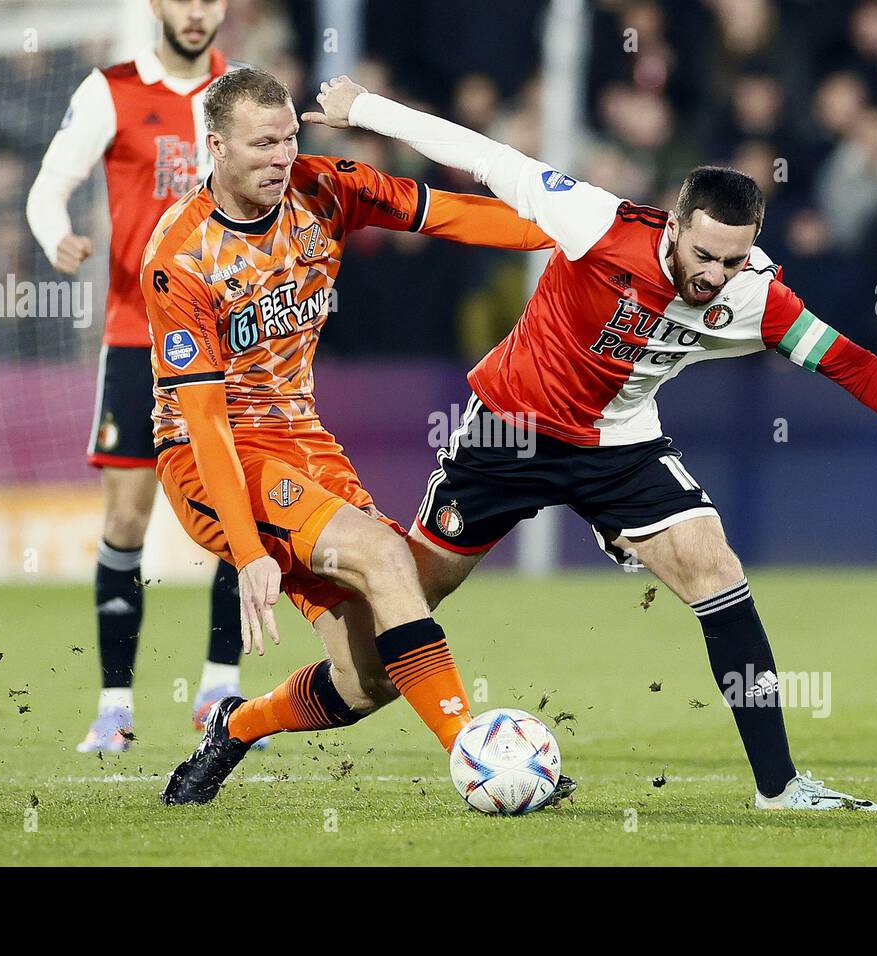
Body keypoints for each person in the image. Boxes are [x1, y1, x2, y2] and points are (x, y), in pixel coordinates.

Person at [302, 75, 877, 812]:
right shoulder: (594, 220)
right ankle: (244, 726)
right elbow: (485, 155)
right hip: (509, 433)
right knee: (384, 641)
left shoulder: (756, 293)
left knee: (715, 567)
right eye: (706, 255)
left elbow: (849, 362)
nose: (715, 276)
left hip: (620, 446)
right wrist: (364, 109)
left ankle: (779, 788)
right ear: (676, 224)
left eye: (734, 260)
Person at [147, 68, 569, 807]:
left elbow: (448, 215)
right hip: (212, 455)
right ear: (215, 146)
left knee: (369, 675)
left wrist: (575, 230)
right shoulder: (179, 257)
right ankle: (480, 759)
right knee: (382, 556)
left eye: (289, 139)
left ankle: (236, 728)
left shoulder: (326, 187)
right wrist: (247, 554)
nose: (282, 157)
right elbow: (208, 419)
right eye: (262, 144)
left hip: (302, 438)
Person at [27, 0, 245, 752]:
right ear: (157, 4)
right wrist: (57, 237)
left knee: (234, 510)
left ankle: (222, 685)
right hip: (136, 336)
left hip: (225, 338)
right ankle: (115, 706)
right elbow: (47, 187)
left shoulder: (241, 92)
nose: (196, 12)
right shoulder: (110, 89)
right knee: (125, 520)